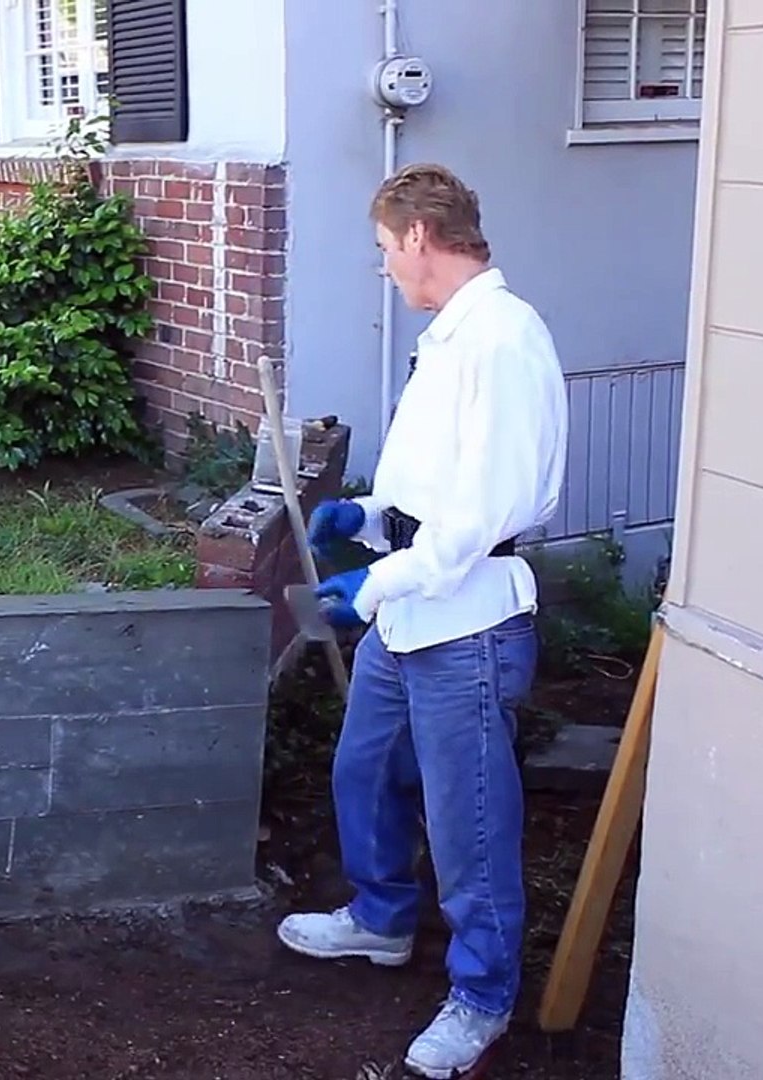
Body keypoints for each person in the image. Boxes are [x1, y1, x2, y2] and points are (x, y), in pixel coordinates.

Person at [277, 163, 567, 1079]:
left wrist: (370, 587)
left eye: (381, 251)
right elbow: (435, 484)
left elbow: (480, 517)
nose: (384, 270)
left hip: (467, 623)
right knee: (364, 770)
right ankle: (380, 918)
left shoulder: (504, 341)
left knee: (469, 822)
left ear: (415, 237)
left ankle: (481, 997)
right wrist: (365, 517)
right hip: (412, 615)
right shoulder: (450, 338)